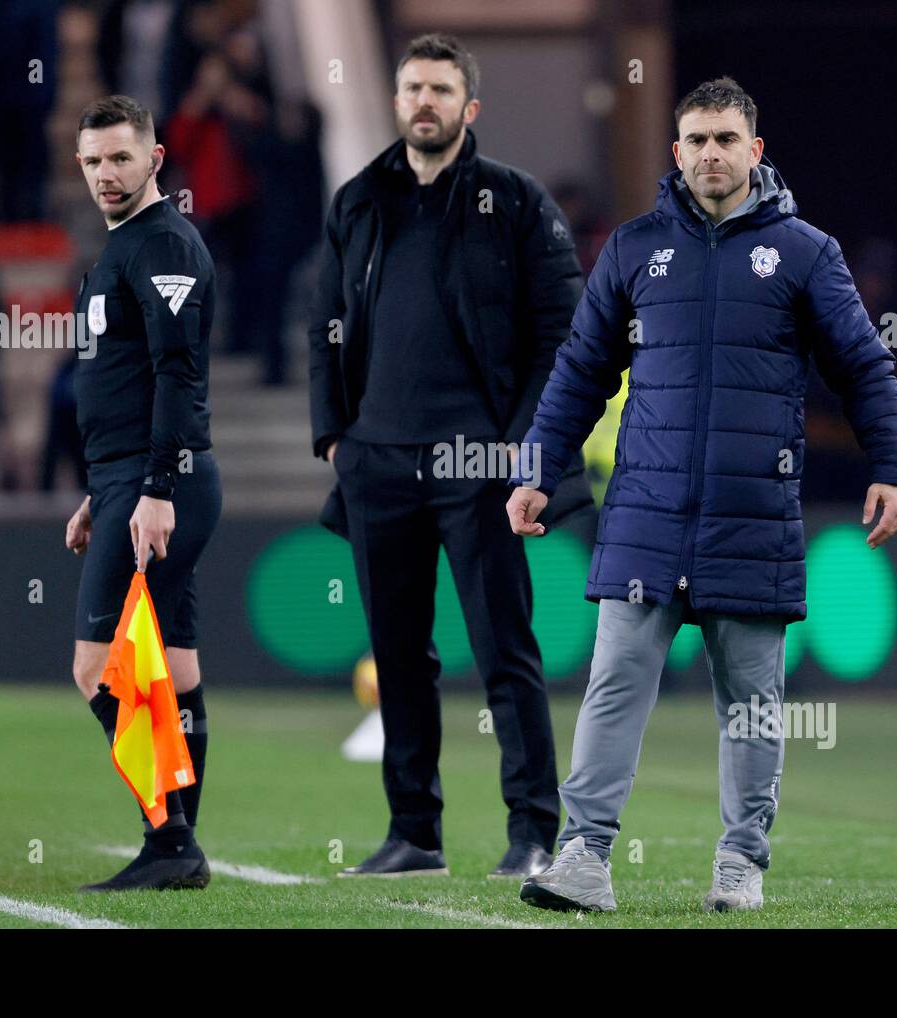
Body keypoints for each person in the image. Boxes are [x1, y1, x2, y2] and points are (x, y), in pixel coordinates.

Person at [506, 77, 897, 913]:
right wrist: (535, 468)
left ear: (755, 151)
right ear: (677, 152)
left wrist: (894, 464)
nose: (710, 155)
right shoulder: (632, 248)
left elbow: (864, 367)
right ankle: (584, 858)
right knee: (614, 683)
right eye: (695, 140)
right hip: (646, 515)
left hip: (752, 515)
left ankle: (741, 866)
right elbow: (581, 370)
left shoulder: (807, 252)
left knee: (754, 705)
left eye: (726, 140)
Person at [309, 33, 592, 879]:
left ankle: (533, 831)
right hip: (379, 463)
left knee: (504, 649)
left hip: (481, 467)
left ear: (469, 107)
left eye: (440, 90)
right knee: (397, 654)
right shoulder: (358, 200)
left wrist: (524, 452)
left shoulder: (516, 200)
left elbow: (563, 335)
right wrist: (335, 436)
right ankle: (414, 834)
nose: (423, 102)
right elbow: (322, 327)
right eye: (411, 89)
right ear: (396, 103)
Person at [66, 95, 222, 892]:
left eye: (121, 157)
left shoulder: (163, 242)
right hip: (131, 481)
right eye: (92, 160)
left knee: (98, 669)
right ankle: (178, 842)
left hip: (162, 484)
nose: (105, 173)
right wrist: (104, 492)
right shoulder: (120, 249)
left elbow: (178, 375)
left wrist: (152, 487)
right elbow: (122, 382)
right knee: (178, 669)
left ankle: (171, 837)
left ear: (156, 158)